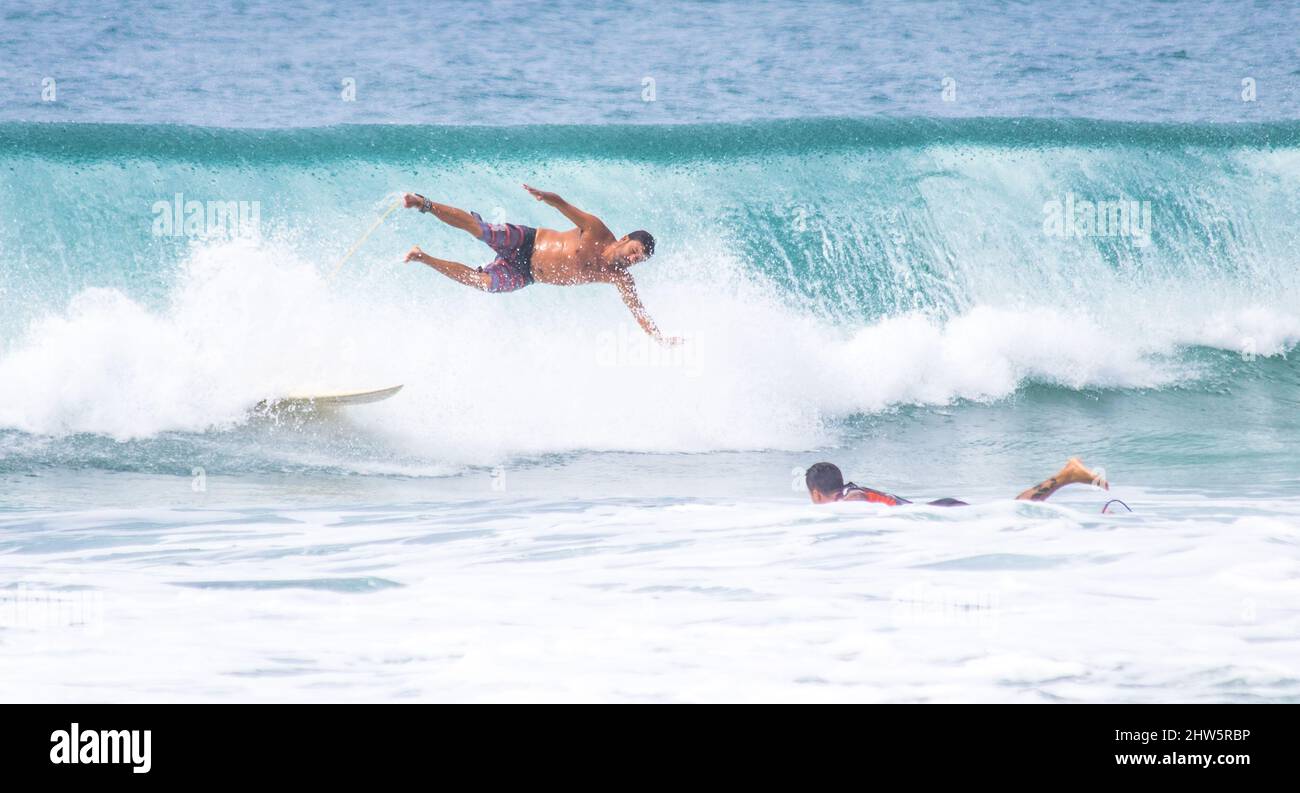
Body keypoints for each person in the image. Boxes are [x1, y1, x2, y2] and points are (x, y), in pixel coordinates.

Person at [401, 185, 680, 344]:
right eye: (633, 251)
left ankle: (422, 257)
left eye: (638, 260)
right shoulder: (596, 230)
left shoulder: (619, 277)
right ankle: (423, 203)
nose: (632, 260)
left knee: (483, 283)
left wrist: (659, 338)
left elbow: (638, 311)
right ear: (624, 239)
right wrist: (546, 198)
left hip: (526, 274)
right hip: (527, 241)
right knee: (482, 231)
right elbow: (564, 205)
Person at [804, 457, 1108, 506]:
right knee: (1015, 511)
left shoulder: (850, 499)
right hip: (939, 512)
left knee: (1015, 510)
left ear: (817, 495)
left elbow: (858, 504)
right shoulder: (851, 494)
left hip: (940, 516)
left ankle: (1067, 474)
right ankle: (1068, 476)